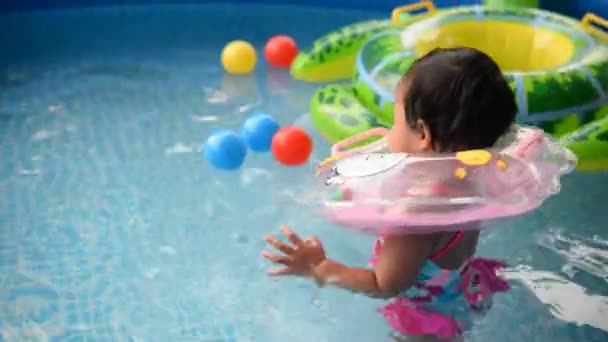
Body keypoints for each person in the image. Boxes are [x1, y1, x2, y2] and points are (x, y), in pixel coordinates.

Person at [262, 47, 516, 341]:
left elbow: (383, 284)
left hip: (426, 320)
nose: (390, 131)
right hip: (461, 289)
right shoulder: (470, 177)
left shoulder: (416, 215)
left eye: (395, 121)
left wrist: (320, 268)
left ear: (422, 134)